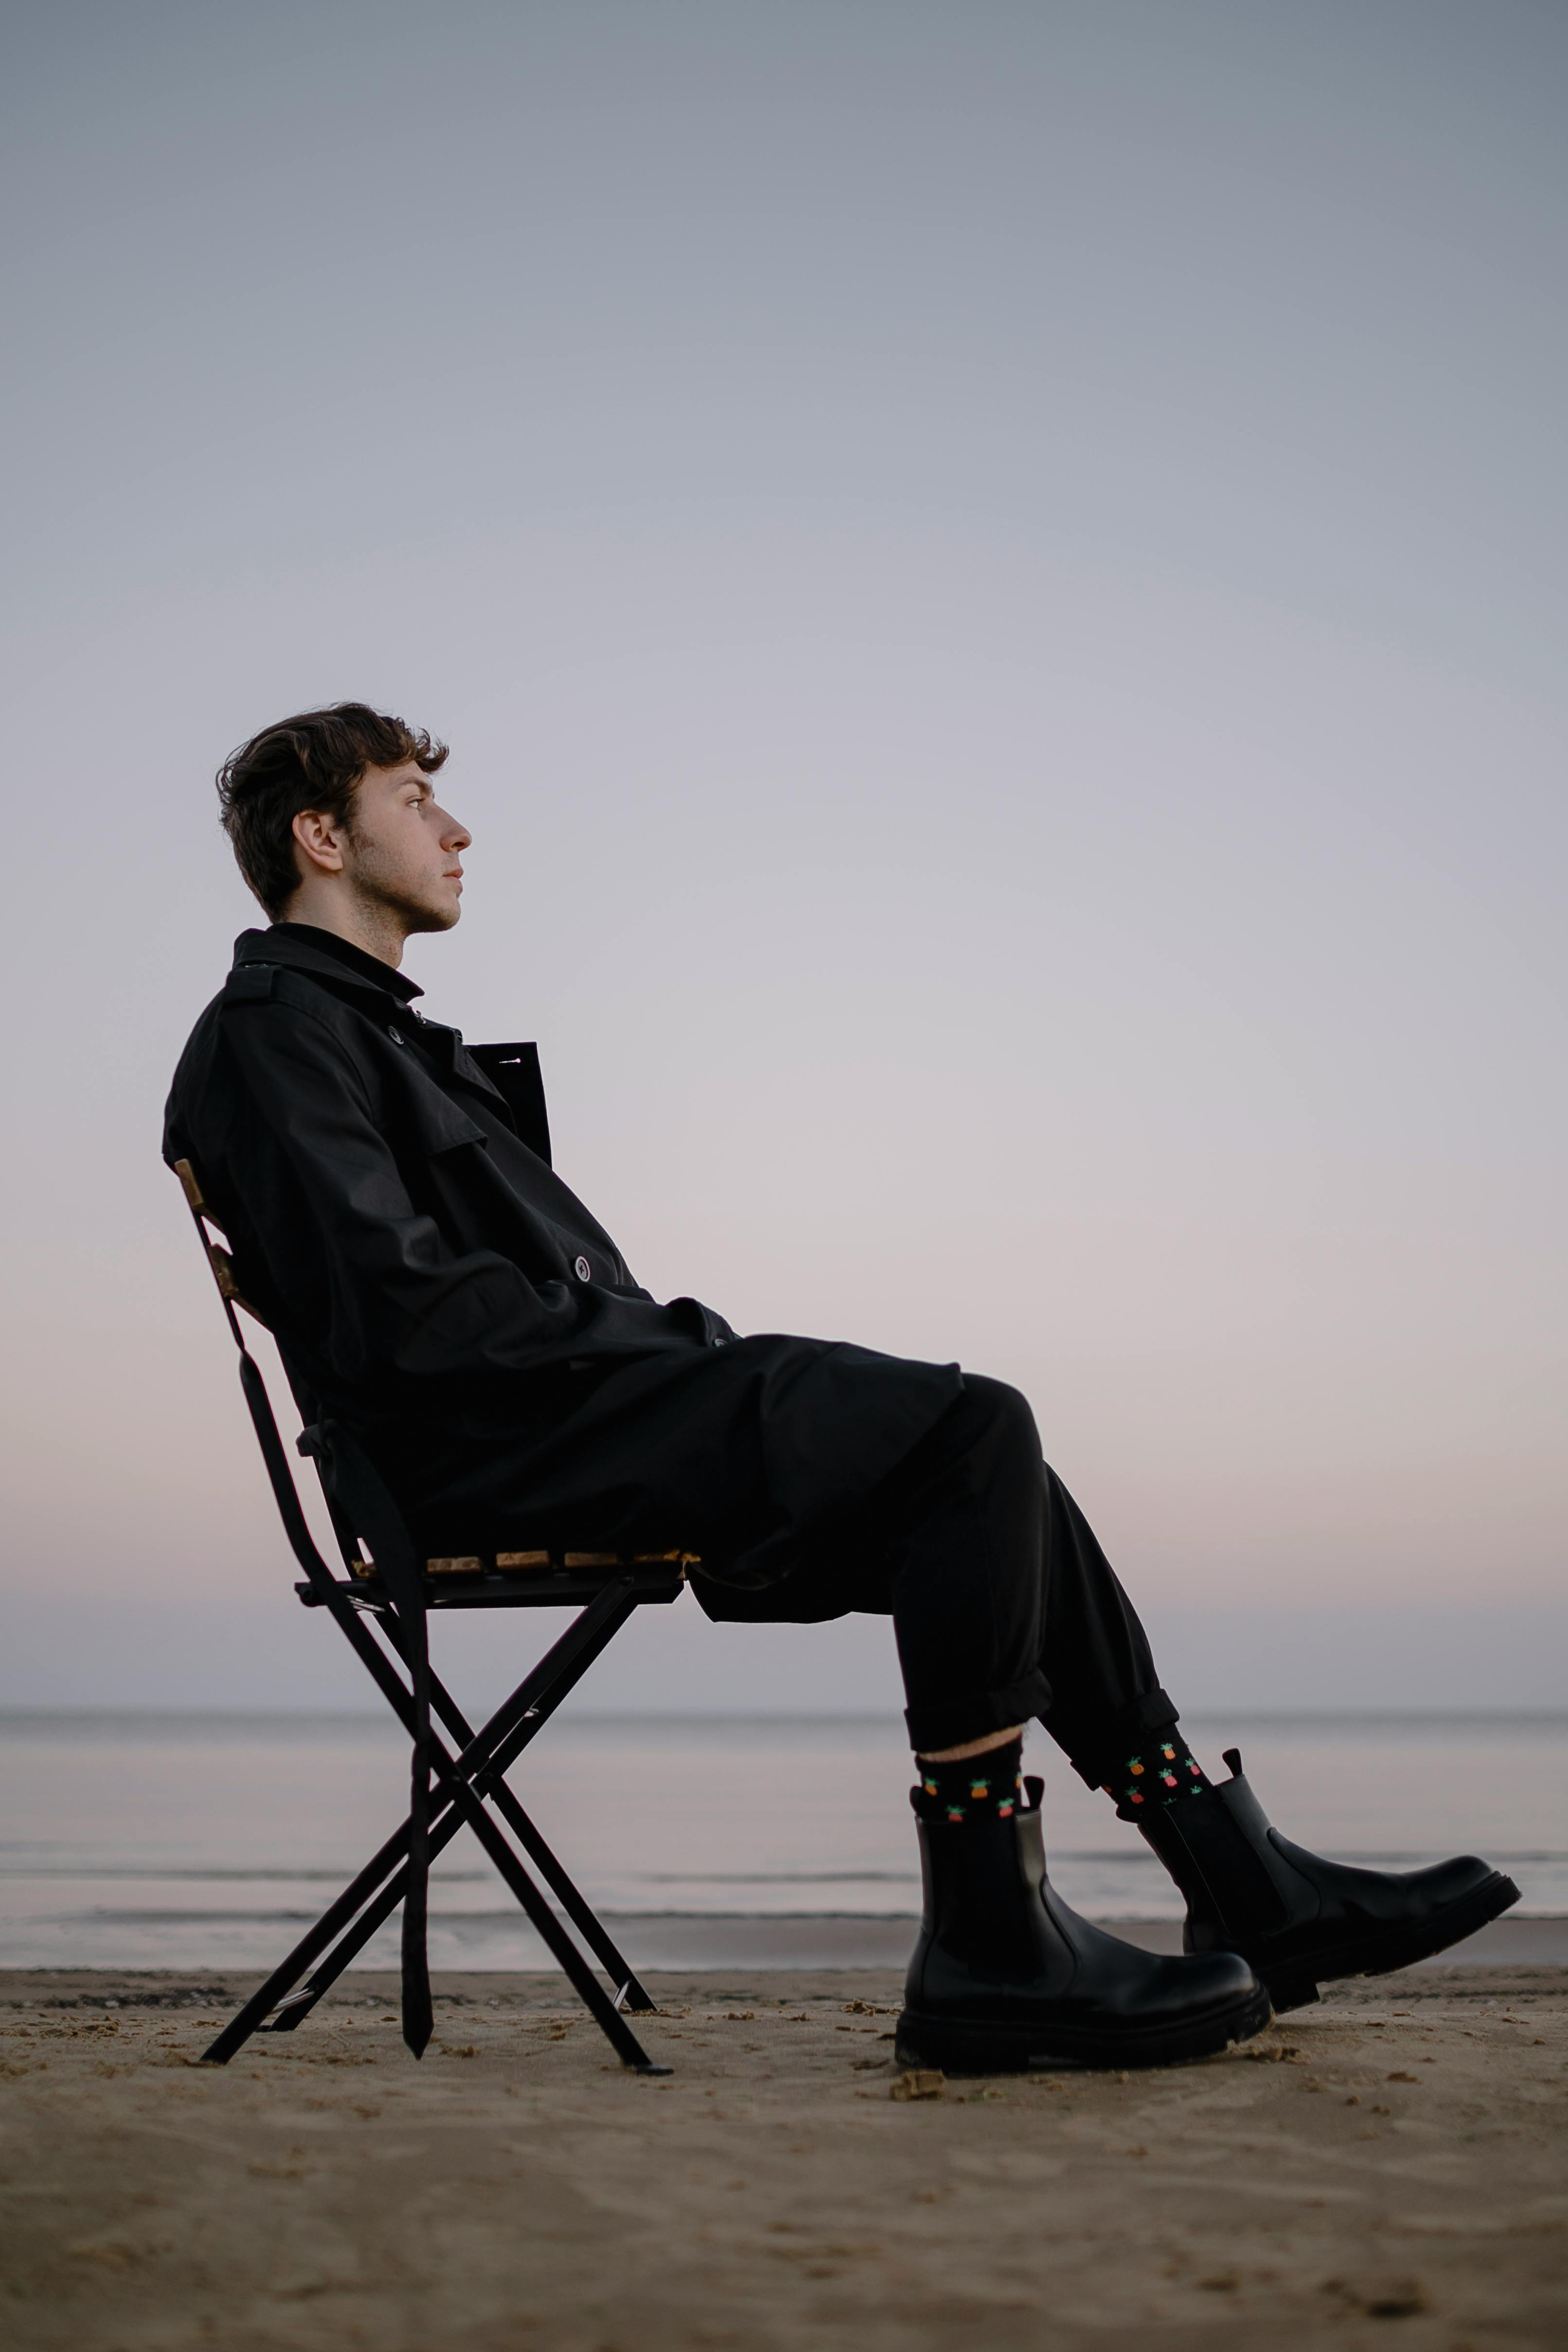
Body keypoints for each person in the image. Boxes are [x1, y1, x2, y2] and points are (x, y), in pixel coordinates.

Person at [164, 703, 1518, 2076]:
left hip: (550, 1417)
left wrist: (659, 1350)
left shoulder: (377, 1037)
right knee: (973, 1425)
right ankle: (993, 1941)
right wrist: (674, 1348)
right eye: (413, 798)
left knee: (1002, 1485)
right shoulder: (274, 1036)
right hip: (480, 1451)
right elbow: (411, 1320)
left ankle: (1246, 1885)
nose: (456, 828)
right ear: (322, 835)